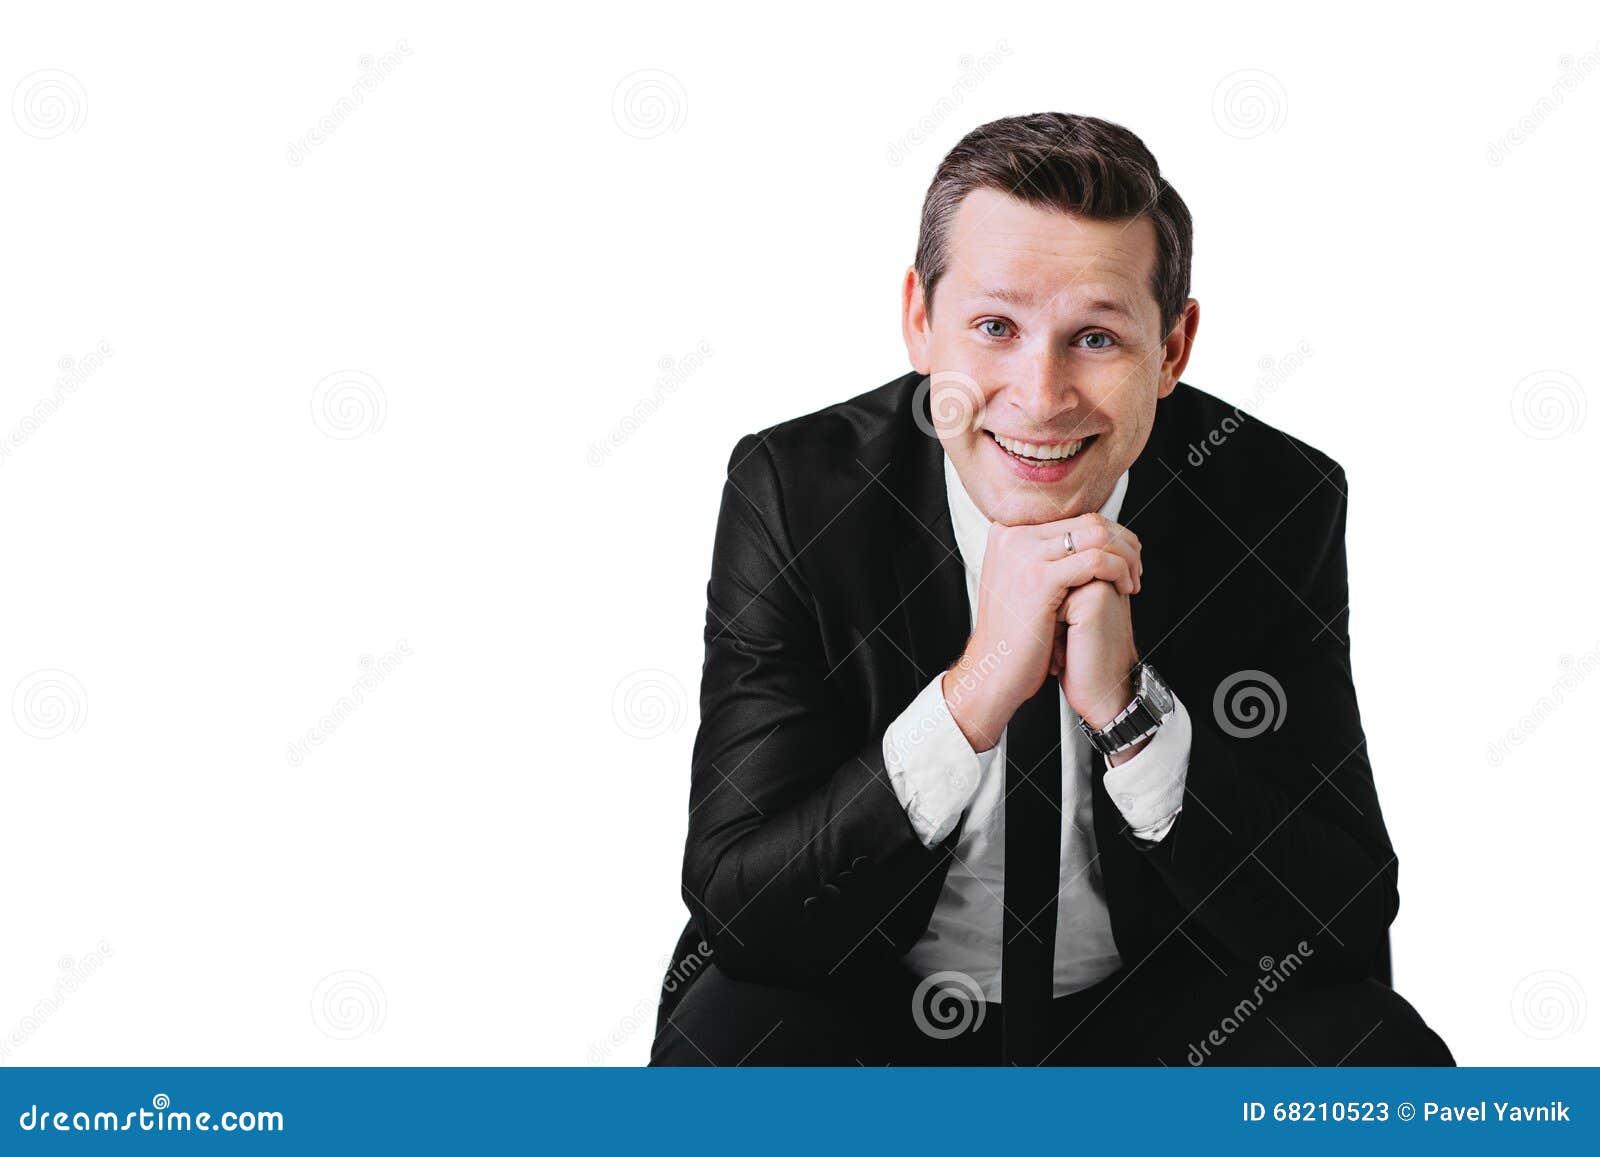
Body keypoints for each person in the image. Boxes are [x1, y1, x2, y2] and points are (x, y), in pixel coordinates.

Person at [650, 112, 1453, 1066]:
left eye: (1097, 338)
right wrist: (974, 692)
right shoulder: (792, 490)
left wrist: (1129, 715)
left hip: (1158, 1018)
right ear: (920, 320)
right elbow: (742, 905)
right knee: (726, 1052)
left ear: (1173, 349)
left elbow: (1342, 913)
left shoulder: (1275, 497)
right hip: (864, 1002)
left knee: (1376, 1060)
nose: (1039, 394)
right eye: (994, 326)